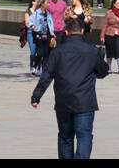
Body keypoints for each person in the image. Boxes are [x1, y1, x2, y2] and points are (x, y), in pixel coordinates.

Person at [31, 12, 109, 158]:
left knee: (65, 137)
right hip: (85, 102)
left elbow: (46, 76)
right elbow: (103, 71)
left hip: (63, 101)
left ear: (66, 33)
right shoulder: (92, 50)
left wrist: (36, 97)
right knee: (84, 135)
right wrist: (99, 60)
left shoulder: (57, 52)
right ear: (82, 31)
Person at [99, 0, 119, 75]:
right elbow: (104, 25)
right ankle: (109, 67)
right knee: (110, 51)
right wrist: (102, 36)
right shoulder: (109, 13)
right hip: (109, 33)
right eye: (117, 3)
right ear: (114, 4)